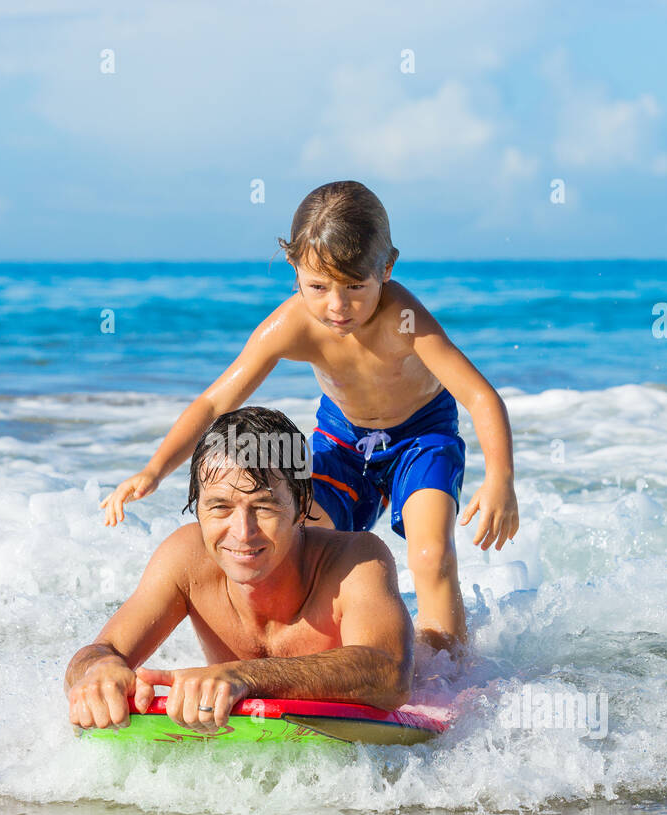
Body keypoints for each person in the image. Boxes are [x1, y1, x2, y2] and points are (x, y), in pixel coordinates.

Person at [100, 180, 518, 655]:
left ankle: (447, 667)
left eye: (355, 287)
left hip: (420, 438)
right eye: (317, 287)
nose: (337, 307)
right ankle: (320, 652)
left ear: (386, 268)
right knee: (300, 538)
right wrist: (155, 469)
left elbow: (481, 397)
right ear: (295, 270)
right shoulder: (293, 323)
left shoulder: (404, 319)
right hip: (340, 442)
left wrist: (500, 480)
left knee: (430, 554)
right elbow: (217, 403)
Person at [67, 407, 413, 732]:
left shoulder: (356, 560)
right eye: (220, 507)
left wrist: (245, 676)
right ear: (197, 507)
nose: (242, 533)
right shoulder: (186, 559)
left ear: (302, 505)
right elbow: (98, 652)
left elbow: (391, 674)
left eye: (263, 506)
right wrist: (100, 673)